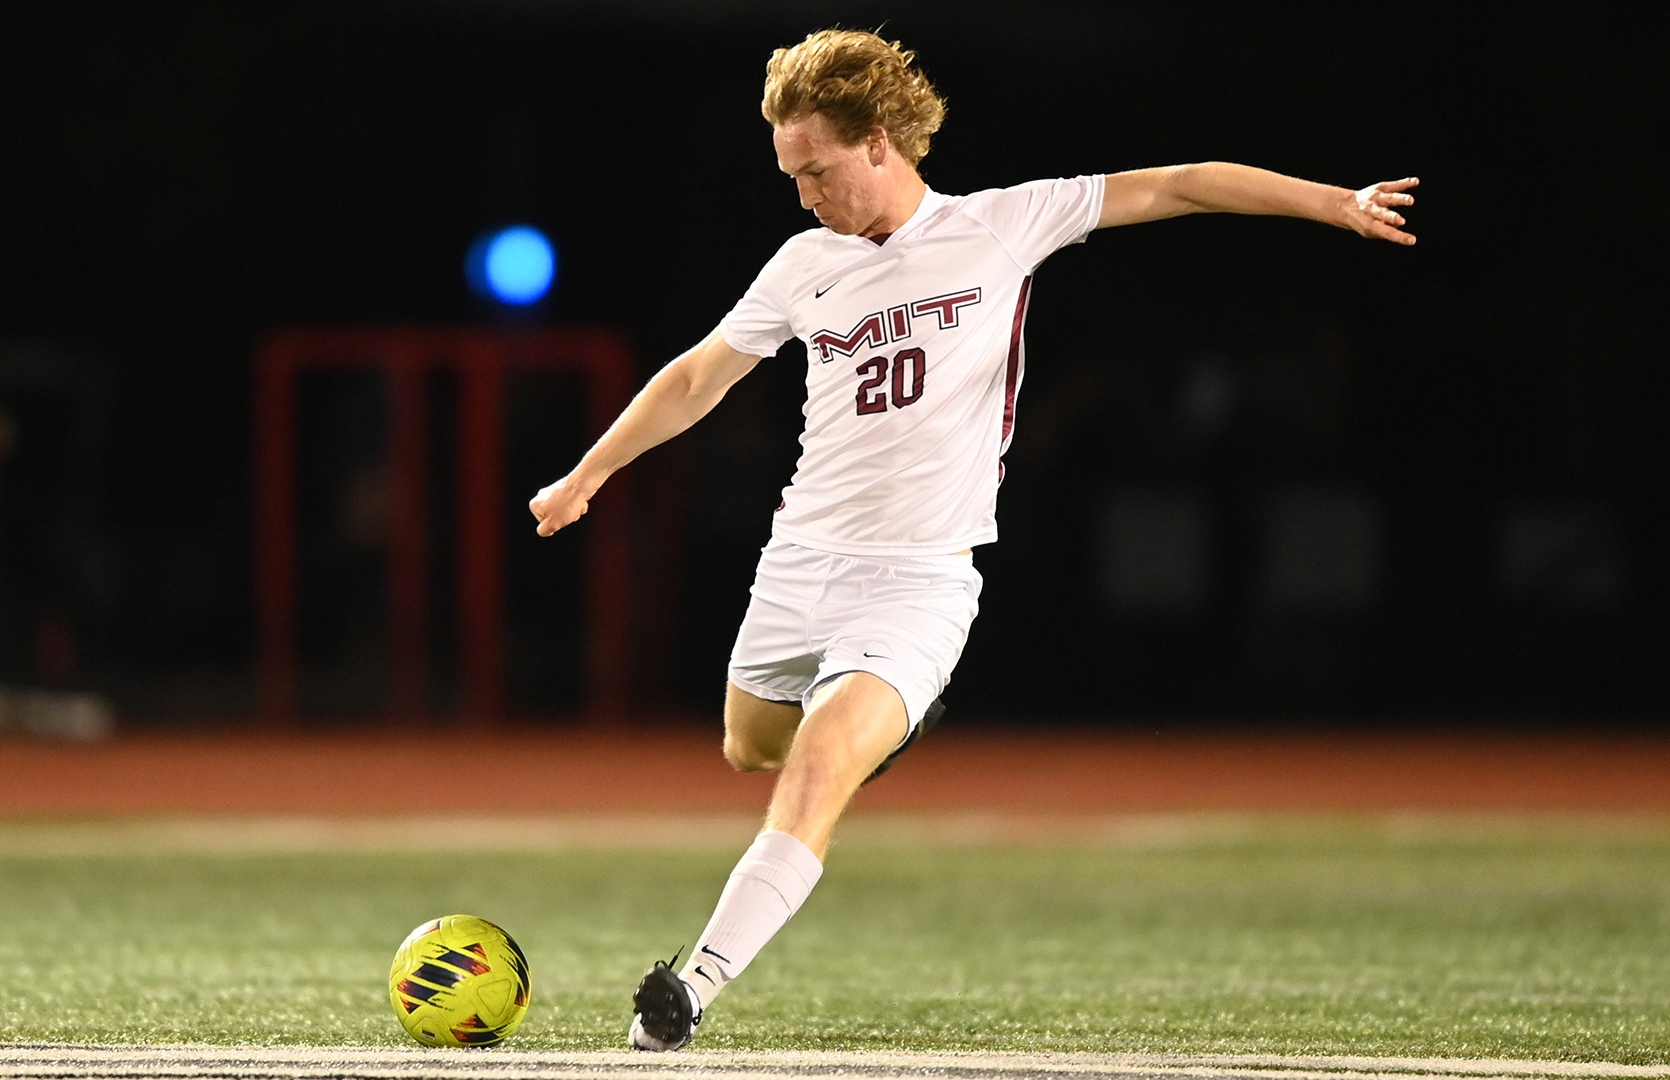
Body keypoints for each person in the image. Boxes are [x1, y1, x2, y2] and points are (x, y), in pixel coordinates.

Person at [527, 27, 1419, 1051]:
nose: (805, 195)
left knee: (817, 773)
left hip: (918, 581)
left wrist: (1333, 204)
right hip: (802, 562)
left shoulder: (999, 227)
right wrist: (587, 475)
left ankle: (688, 994)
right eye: (790, 176)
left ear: (878, 142)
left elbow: (1176, 184)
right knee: (748, 747)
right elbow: (696, 377)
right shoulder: (803, 263)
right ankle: (887, 725)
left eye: (815, 171)